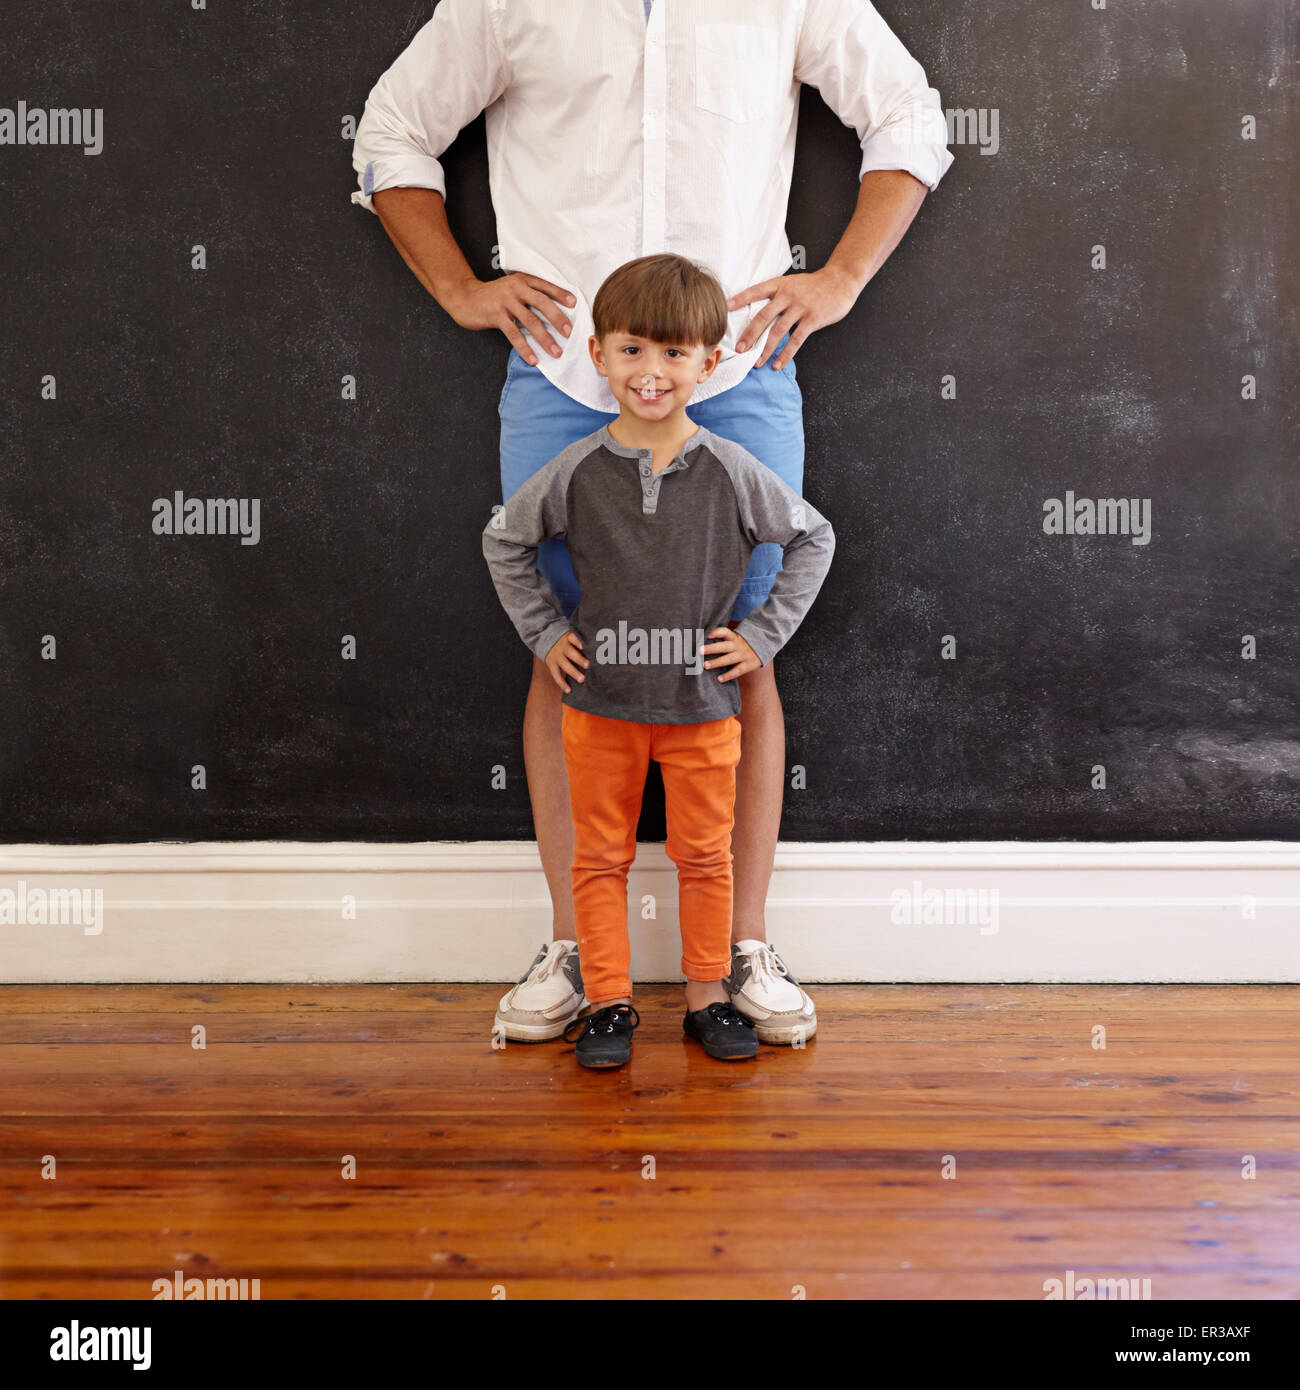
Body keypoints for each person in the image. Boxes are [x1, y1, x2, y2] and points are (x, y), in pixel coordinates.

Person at [351, 0, 954, 1043]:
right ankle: (574, 948)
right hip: (564, 374)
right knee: (562, 653)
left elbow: (908, 114)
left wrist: (842, 276)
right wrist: (460, 287)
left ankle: (744, 951)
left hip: (739, 370)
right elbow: (392, 131)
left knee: (744, 653)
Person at [482, 253, 834, 1067]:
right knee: (598, 856)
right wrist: (544, 633)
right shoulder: (572, 471)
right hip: (599, 712)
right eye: (633, 350)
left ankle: (710, 995)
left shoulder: (732, 469)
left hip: (704, 715)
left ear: (710, 364)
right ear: (599, 354)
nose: (651, 372)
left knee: (705, 855)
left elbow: (814, 537)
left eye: (674, 354)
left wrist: (760, 638)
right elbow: (505, 541)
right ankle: (608, 1001)